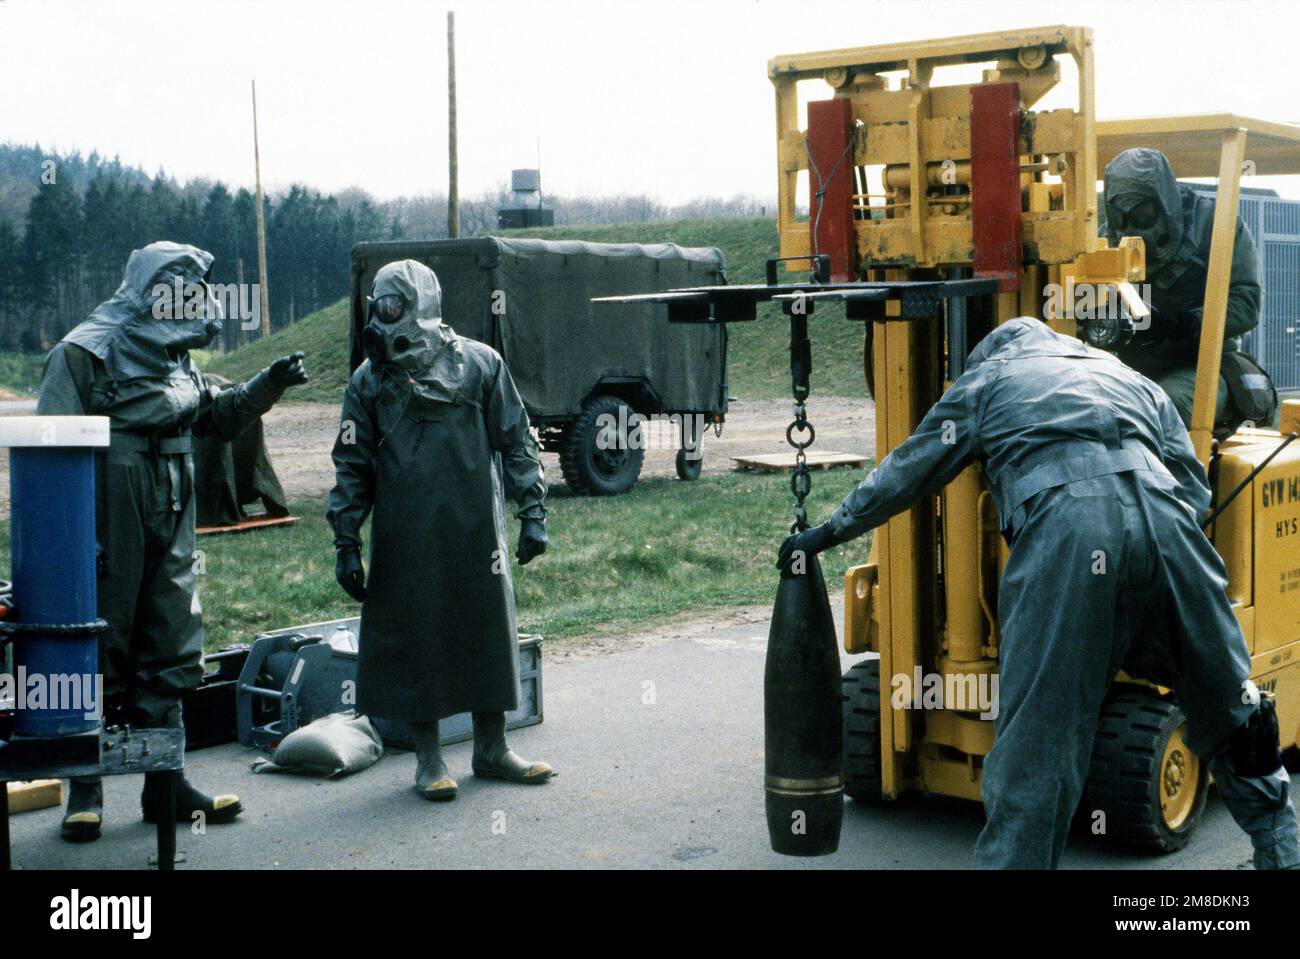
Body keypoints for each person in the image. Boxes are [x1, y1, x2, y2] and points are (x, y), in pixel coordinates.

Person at [777, 316, 1300, 869]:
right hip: (1171, 529)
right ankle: (1281, 851)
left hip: (1068, 535)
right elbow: (1192, 485)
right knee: (1235, 706)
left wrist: (827, 533)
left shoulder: (988, 381)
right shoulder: (1126, 376)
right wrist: (1151, 569)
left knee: (1039, 747)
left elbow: (905, 473)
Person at [37, 240, 310, 842]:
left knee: (172, 644)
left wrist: (267, 384)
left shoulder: (175, 357)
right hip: (109, 514)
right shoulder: (85, 352)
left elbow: (215, 417)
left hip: (172, 509)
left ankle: (167, 785)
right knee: (98, 642)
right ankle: (86, 788)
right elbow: (49, 456)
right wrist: (67, 545)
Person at [327, 259, 553, 801]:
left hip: (476, 529)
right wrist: (345, 539)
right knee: (416, 634)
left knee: (487, 629)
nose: (384, 315)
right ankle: (429, 759)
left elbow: (517, 439)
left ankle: (492, 748)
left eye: (394, 304)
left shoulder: (479, 364)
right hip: (406, 533)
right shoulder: (368, 381)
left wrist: (533, 510)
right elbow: (352, 462)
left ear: (421, 304)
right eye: (378, 303)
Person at [1102, 147, 1263, 428]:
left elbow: (1246, 301)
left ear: (1164, 203)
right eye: (1120, 216)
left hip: (1201, 364)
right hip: (1128, 365)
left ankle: (1171, 472)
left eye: (1142, 214)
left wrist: (1186, 323)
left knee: (1166, 408)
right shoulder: (1107, 237)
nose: (1130, 229)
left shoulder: (1216, 227)